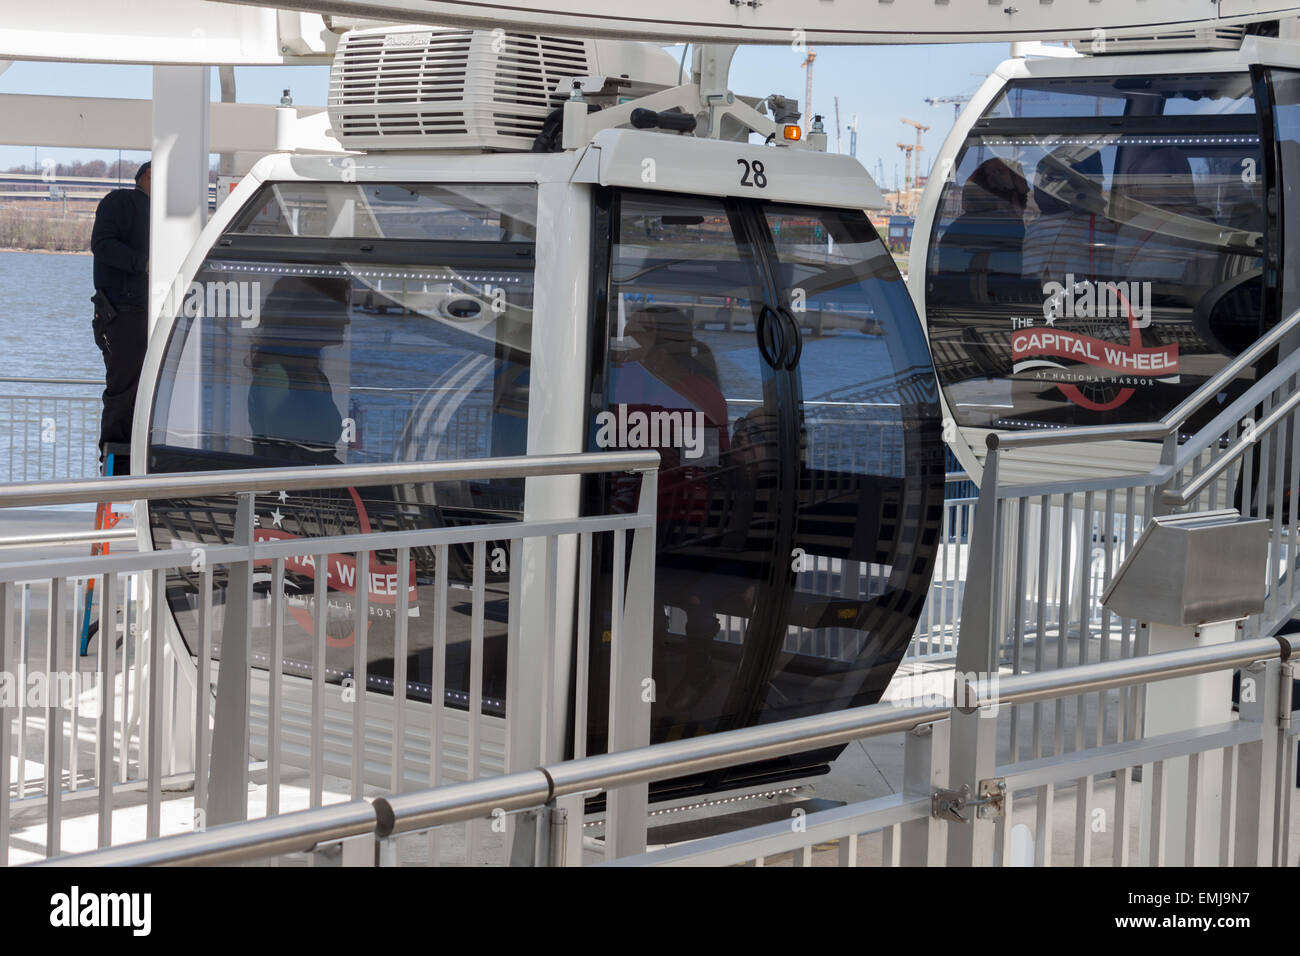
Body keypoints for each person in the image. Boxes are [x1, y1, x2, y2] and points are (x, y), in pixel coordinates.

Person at [90, 161, 151, 471]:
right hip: (125, 313)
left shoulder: (163, 216)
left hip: (147, 313)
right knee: (125, 388)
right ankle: (116, 464)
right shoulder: (122, 202)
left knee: (145, 388)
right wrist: (144, 263)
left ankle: (136, 458)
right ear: (149, 177)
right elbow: (101, 244)